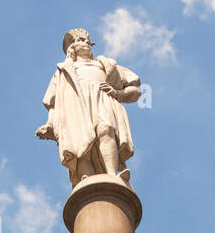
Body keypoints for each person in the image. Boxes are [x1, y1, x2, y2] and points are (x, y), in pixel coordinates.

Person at [36, 28, 142, 186]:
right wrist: (50, 123)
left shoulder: (105, 65)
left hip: (102, 101)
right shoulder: (63, 71)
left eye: (87, 41)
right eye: (80, 40)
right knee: (81, 144)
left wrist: (118, 93)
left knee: (106, 128)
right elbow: (54, 102)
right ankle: (87, 180)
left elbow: (136, 90)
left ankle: (113, 175)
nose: (86, 43)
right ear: (72, 47)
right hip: (75, 107)